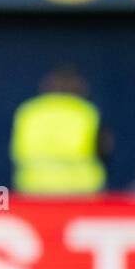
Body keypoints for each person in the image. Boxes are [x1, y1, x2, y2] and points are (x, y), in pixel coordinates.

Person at [10, 64, 109, 194]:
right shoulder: (86, 112)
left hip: (34, 187)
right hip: (80, 189)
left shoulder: (29, 111)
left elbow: (16, 151)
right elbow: (104, 148)